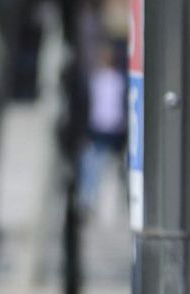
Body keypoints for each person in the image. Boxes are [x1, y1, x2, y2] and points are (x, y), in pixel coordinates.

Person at [77, 43, 127, 220]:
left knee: (98, 164)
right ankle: (88, 198)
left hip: (111, 129)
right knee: (93, 164)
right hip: (102, 128)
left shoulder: (116, 80)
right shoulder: (101, 79)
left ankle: (93, 199)